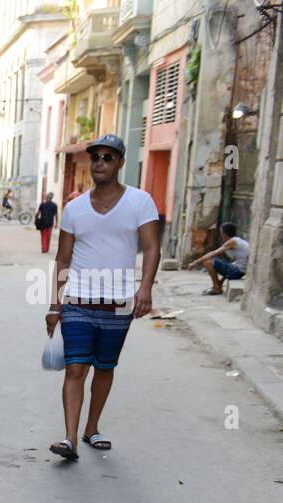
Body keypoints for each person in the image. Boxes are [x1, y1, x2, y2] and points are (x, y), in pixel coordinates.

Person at [46, 134, 160, 459]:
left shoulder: (140, 202)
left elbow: (152, 247)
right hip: (78, 302)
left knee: (105, 367)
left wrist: (146, 287)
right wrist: (55, 305)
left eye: (108, 157)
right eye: (96, 157)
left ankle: (91, 428)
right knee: (75, 368)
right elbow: (63, 258)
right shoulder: (75, 208)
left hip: (119, 303)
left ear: (121, 162)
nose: (100, 163)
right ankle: (68, 438)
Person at [187, 222, 250, 295]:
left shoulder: (232, 242)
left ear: (224, 233)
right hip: (239, 271)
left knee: (208, 261)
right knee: (224, 263)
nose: (221, 234)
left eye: (221, 232)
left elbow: (213, 253)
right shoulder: (237, 240)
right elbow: (232, 265)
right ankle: (217, 285)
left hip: (237, 272)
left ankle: (216, 288)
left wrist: (195, 263)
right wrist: (221, 282)